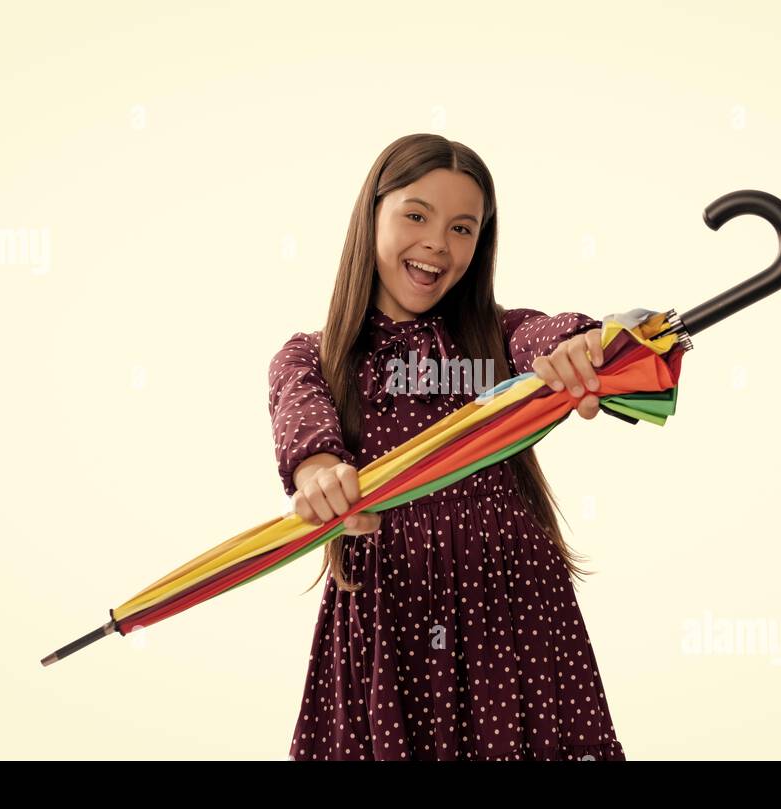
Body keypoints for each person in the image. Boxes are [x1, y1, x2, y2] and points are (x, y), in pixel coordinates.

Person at [268, 133, 625, 760]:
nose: (438, 241)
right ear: (371, 214)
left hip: (511, 606)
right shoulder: (313, 358)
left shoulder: (499, 337)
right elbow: (306, 431)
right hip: (392, 615)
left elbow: (547, 335)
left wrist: (576, 343)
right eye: (416, 215)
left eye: (464, 228)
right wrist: (320, 471)